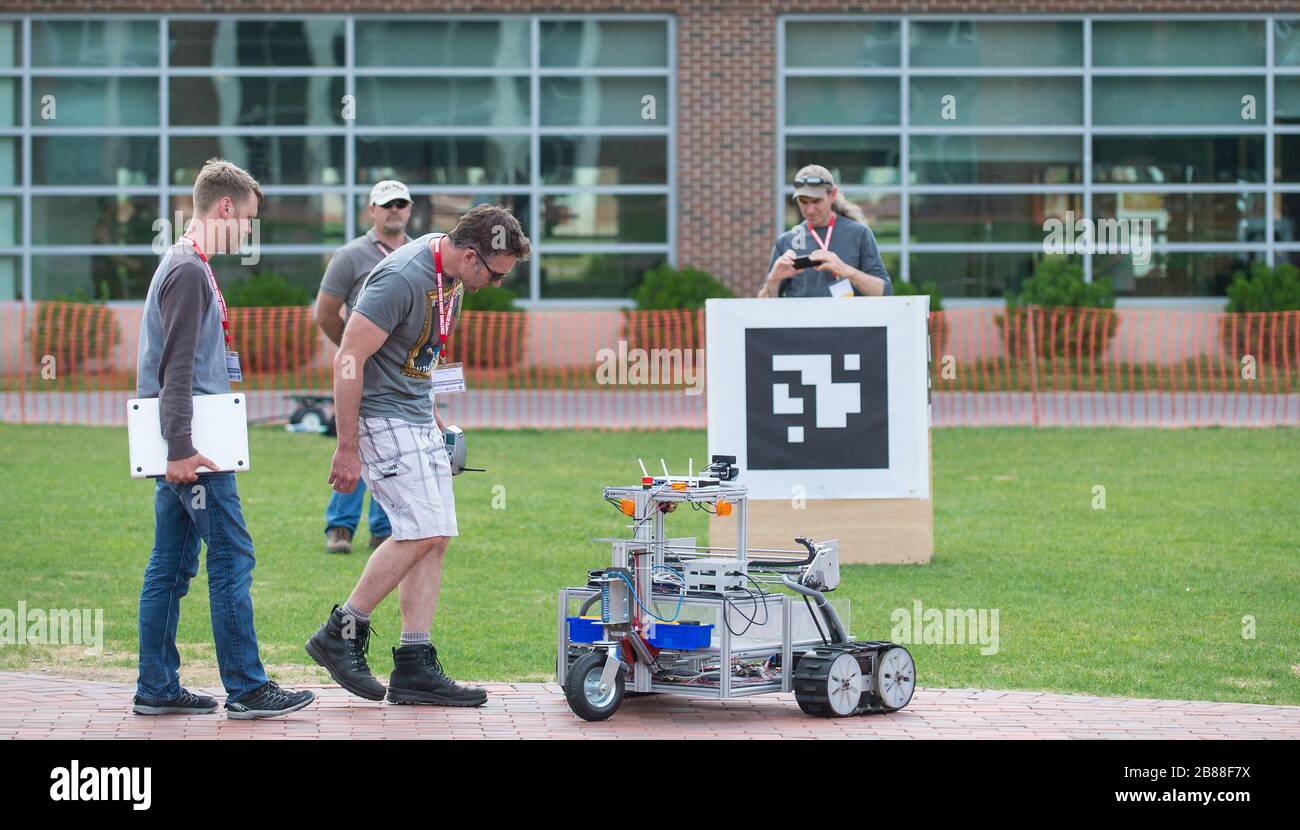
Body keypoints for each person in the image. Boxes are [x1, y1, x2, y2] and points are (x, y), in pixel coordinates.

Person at [305, 204, 530, 707]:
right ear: (471, 257)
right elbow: (348, 358)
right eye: (495, 275)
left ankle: (414, 664)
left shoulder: (451, 276)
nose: (495, 284)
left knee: (436, 537)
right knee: (421, 530)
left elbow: (423, 356)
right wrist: (346, 447)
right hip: (380, 417)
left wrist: (435, 419)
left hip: (415, 416)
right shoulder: (401, 278)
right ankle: (341, 632)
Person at [133, 158, 315, 719]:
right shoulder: (188, 270)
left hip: (188, 445)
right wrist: (181, 450)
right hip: (196, 451)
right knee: (232, 556)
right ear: (226, 207)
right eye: (248, 219)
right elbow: (176, 368)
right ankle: (247, 688)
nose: (248, 232)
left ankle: (157, 687)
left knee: (171, 566)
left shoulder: (184, 263)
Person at [314, 180, 414, 554]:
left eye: (401, 203)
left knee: (394, 449)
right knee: (352, 440)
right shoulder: (350, 256)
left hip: (403, 373)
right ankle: (340, 527)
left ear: (410, 209)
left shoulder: (421, 254)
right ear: (371, 210)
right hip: (361, 371)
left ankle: (384, 528)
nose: (394, 210)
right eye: (386, 204)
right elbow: (325, 312)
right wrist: (354, 351)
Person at [759, 164, 893, 298]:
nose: (810, 210)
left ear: (832, 195)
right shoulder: (786, 241)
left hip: (847, 313)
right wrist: (773, 280)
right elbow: (763, 305)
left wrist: (846, 271)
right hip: (803, 313)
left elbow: (884, 292)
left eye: (816, 201)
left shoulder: (859, 234)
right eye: (803, 201)